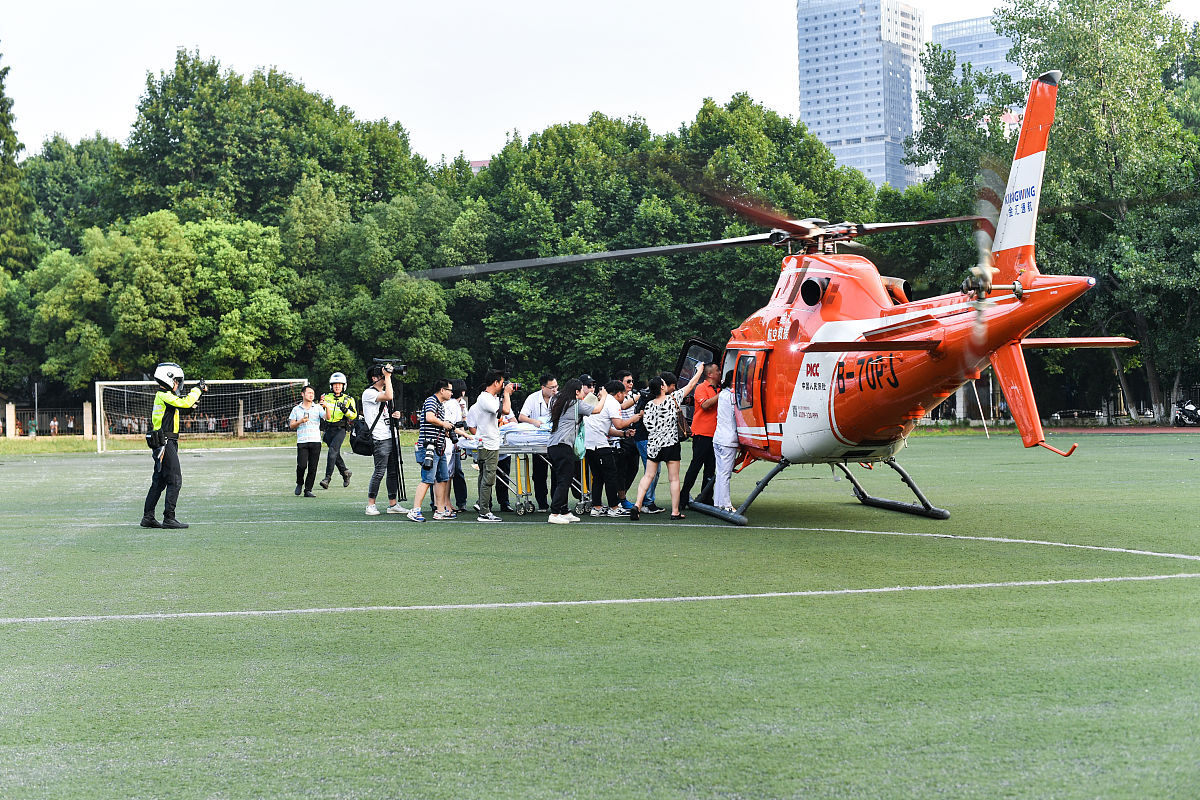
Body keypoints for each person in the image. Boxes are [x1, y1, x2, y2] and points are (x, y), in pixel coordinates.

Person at [629, 367, 705, 521]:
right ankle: (675, 511)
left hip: (654, 445)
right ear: (663, 387)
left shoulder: (649, 405)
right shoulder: (673, 399)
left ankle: (637, 504)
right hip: (670, 444)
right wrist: (699, 371)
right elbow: (691, 385)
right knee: (674, 478)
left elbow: (648, 425)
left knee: (648, 475)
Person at [141, 362, 209, 529]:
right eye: (177, 380)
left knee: (159, 481)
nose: (178, 384)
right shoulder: (165, 396)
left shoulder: (164, 397)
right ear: (169, 379)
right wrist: (197, 389)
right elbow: (185, 403)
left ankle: (148, 517)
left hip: (163, 442)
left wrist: (197, 395)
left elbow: (186, 408)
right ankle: (169, 518)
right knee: (175, 480)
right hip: (166, 442)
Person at [545, 378, 605, 524]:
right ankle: (554, 513)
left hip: (554, 445)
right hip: (563, 446)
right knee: (564, 480)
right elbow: (597, 409)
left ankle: (564, 511)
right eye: (581, 391)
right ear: (576, 391)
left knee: (563, 479)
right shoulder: (574, 403)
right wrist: (604, 397)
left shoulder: (558, 400)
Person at [585, 379, 642, 517]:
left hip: (589, 444)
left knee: (598, 476)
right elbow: (619, 424)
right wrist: (634, 418)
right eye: (624, 394)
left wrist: (623, 434)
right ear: (618, 394)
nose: (624, 397)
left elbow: (607, 428)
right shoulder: (613, 402)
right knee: (611, 476)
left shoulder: (603, 400)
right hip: (599, 444)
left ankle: (597, 507)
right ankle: (614, 507)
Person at [466, 370, 514, 522]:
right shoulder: (485, 398)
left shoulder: (488, 398)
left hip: (486, 442)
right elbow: (505, 411)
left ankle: (483, 507)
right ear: (496, 382)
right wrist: (506, 394)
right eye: (502, 382)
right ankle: (484, 512)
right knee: (488, 478)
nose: (503, 385)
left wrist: (505, 394)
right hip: (488, 444)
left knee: (484, 477)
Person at [362, 362, 407, 516]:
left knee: (393, 471)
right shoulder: (369, 393)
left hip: (391, 435)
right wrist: (387, 376)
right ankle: (370, 504)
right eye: (382, 375)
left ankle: (392, 504)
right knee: (379, 471)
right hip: (380, 438)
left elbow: (388, 406)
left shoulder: (384, 393)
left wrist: (396, 415)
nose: (387, 377)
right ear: (375, 378)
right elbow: (388, 395)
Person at [409, 378, 457, 522]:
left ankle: (440, 510)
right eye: (450, 390)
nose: (451, 393)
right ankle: (415, 510)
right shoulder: (431, 401)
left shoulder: (440, 405)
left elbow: (437, 424)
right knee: (427, 479)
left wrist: (447, 429)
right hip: (429, 447)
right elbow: (430, 417)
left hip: (439, 447)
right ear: (442, 390)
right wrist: (444, 424)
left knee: (443, 478)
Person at [680, 362, 722, 508]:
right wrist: (721, 395)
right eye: (717, 370)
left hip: (715, 435)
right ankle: (683, 497)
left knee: (710, 468)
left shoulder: (719, 389)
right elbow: (705, 405)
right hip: (702, 434)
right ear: (710, 374)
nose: (719, 372)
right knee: (695, 466)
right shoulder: (701, 388)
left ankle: (706, 497)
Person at [518, 374, 558, 511]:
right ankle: (542, 503)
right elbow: (522, 416)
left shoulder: (558, 398)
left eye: (556, 386)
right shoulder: (533, 398)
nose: (554, 390)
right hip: (537, 441)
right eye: (551, 387)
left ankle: (556, 503)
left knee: (557, 473)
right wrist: (533, 421)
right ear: (543, 387)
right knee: (539, 474)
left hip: (555, 440)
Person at [630, 377, 665, 514]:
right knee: (652, 471)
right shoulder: (649, 399)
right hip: (645, 438)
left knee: (653, 471)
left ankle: (646, 501)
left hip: (645, 438)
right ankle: (647, 502)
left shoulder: (646, 396)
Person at [319, 372, 358, 489]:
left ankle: (327, 478)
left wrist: (345, 410)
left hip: (340, 429)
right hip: (328, 429)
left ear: (343, 386)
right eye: (335, 384)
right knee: (335, 454)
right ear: (331, 386)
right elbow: (320, 411)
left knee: (332, 451)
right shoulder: (326, 397)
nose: (337, 386)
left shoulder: (349, 399)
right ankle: (345, 472)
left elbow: (353, 415)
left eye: (340, 384)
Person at [289, 385, 327, 497]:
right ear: (302, 394)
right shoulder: (296, 409)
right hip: (302, 441)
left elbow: (328, 418)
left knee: (313, 467)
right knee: (301, 465)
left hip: (315, 441)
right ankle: (299, 482)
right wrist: (300, 421)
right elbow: (291, 425)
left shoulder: (318, 408)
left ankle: (308, 490)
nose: (311, 395)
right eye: (309, 392)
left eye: (312, 393)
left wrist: (327, 407)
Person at [712, 371, 740, 512]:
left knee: (720, 472)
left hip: (718, 438)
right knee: (725, 474)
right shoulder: (733, 397)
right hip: (728, 440)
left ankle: (719, 502)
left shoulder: (722, 394)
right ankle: (727, 505)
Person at [446, 380, 470, 512]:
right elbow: (454, 425)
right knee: (447, 474)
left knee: (451, 473)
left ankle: (445, 503)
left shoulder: (459, 403)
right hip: (451, 441)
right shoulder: (452, 404)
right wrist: (465, 436)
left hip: (454, 441)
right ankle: (445, 503)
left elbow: (463, 421)